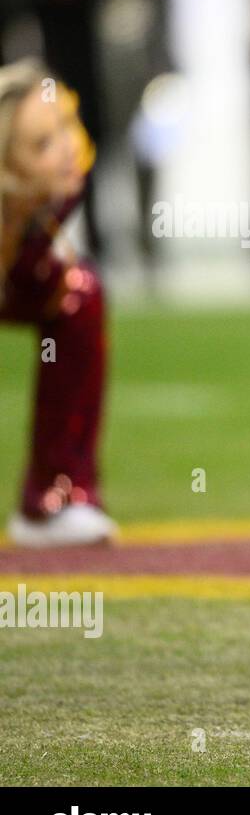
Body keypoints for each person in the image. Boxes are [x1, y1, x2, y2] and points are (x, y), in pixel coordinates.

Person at [0, 59, 115, 547]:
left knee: (78, 291)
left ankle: (56, 495)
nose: (69, 148)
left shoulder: (66, 182)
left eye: (66, 127)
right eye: (42, 144)